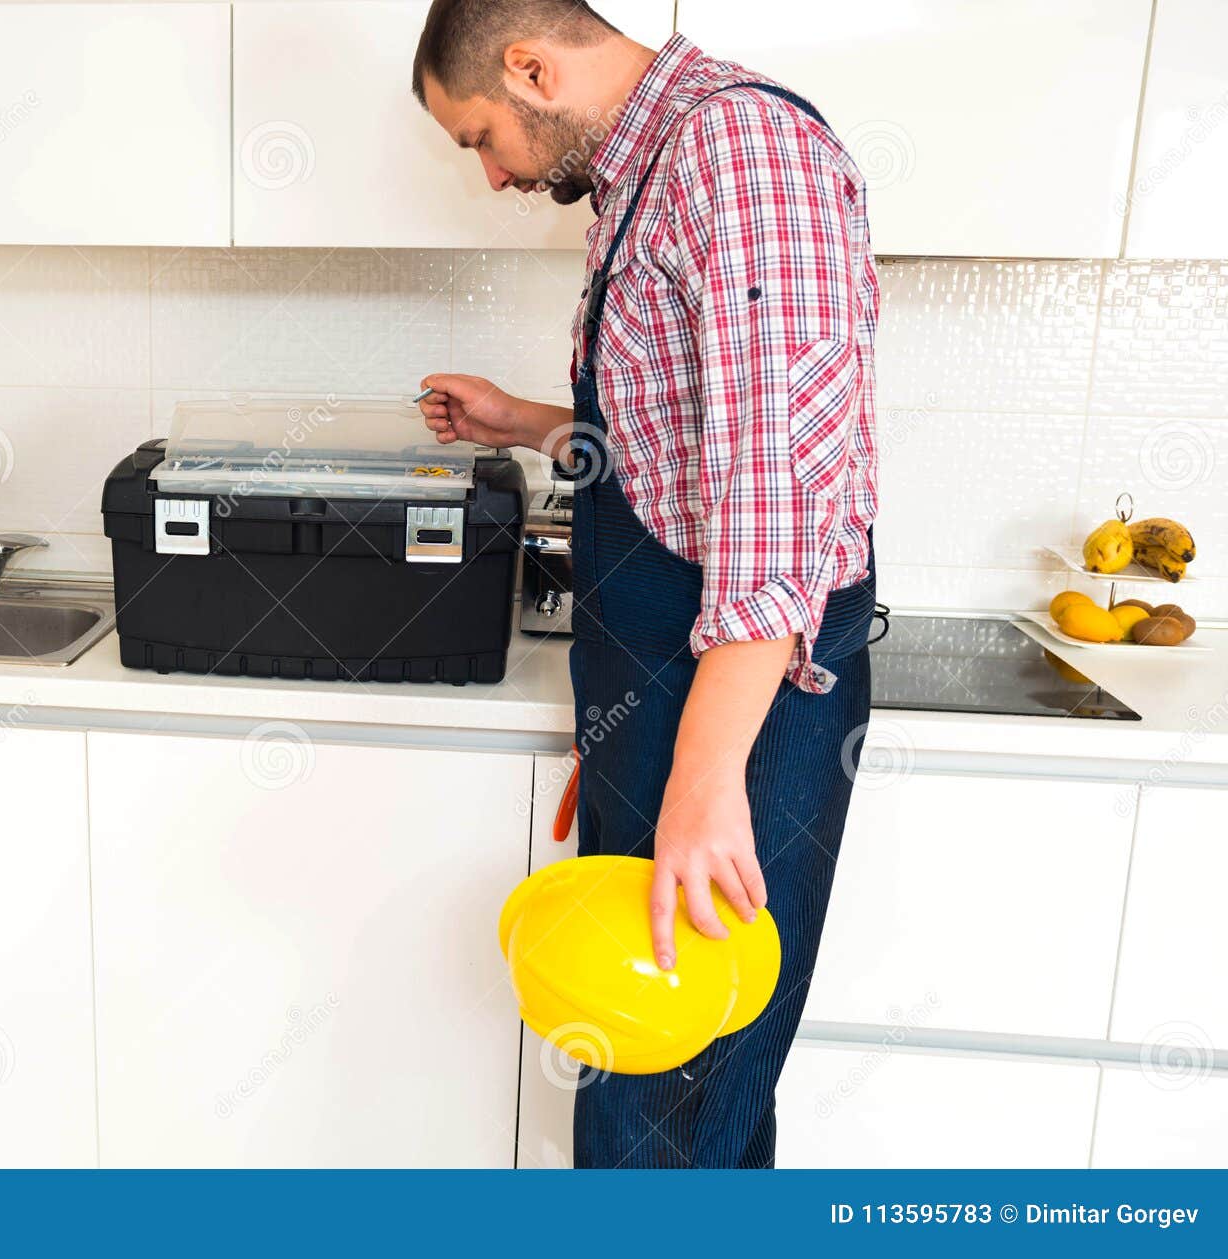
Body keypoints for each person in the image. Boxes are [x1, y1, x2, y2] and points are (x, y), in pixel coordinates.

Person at [411, 1, 880, 1168]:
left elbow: (770, 527)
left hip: (743, 703)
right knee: (678, 1074)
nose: (489, 175)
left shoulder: (740, 154)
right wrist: (525, 423)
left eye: (477, 136)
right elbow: (687, 449)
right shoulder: (647, 171)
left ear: (530, 67)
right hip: (680, 689)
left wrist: (705, 771)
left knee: (661, 1095)